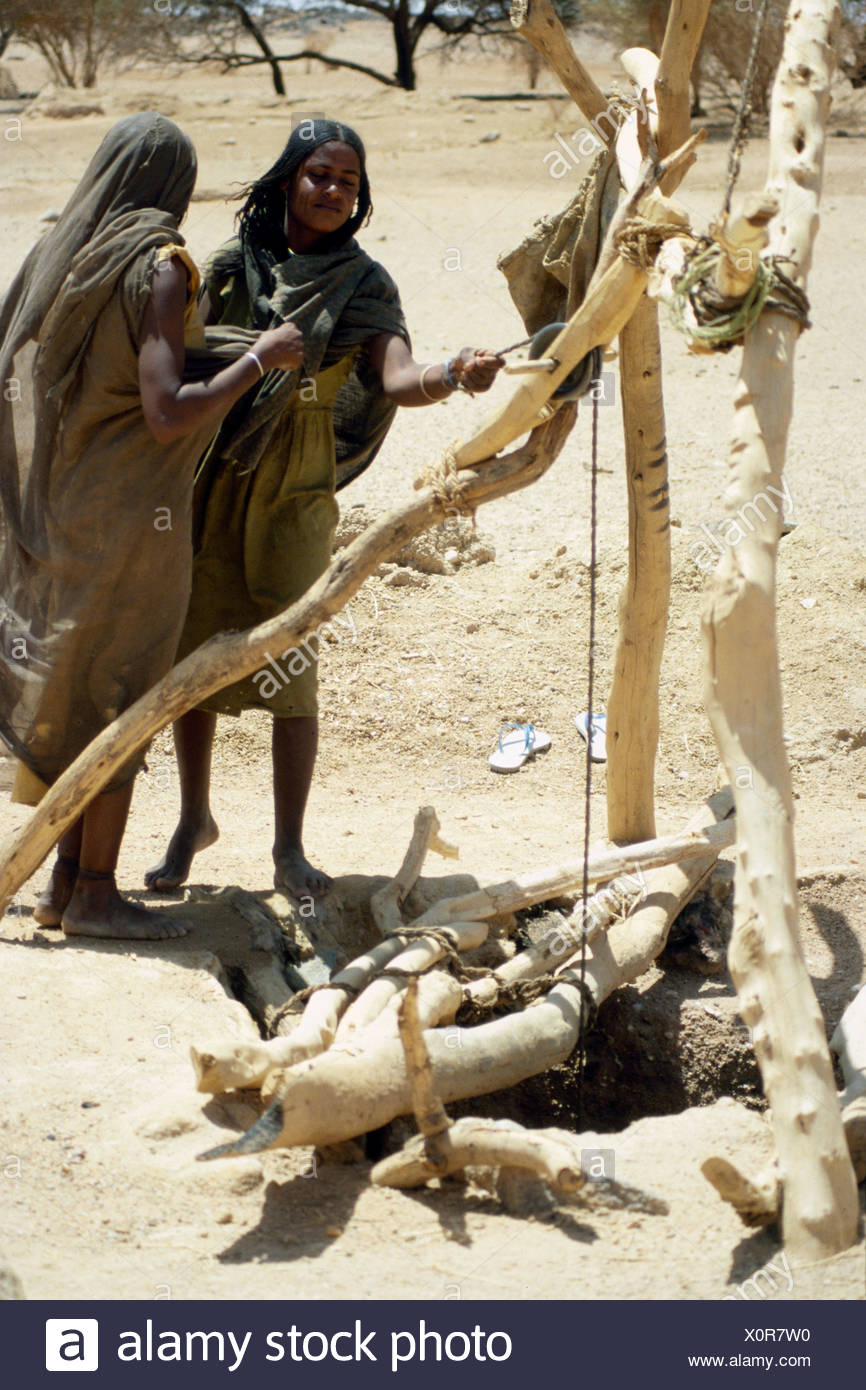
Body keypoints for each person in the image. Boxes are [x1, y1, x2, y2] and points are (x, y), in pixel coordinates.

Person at [146, 119, 502, 901]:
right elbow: (188, 354)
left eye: (349, 180)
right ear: (287, 181)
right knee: (192, 650)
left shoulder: (364, 283)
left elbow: (400, 381)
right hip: (213, 471)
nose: (334, 190)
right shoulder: (232, 265)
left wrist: (456, 371)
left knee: (293, 664)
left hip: (298, 485)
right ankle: (191, 820)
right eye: (319, 174)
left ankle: (289, 848)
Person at [0, 113, 305, 940]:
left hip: (66, 510)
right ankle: (95, 892)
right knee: (124, 693)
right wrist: (259, 359)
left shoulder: (60, 259)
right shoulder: (161, 266)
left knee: (83, 686)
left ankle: (61, 886)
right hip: (136, 518)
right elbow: (167, 413)